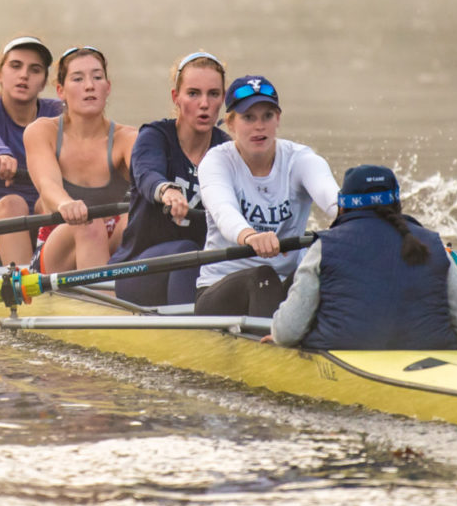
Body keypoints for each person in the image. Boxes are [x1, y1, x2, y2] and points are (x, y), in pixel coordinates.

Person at [270, 165, 457, 350]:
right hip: (430, 359)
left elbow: (286, 333)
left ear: (343, 205)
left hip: (343, 356)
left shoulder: (323, 247)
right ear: (397, 203)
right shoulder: (433, 246)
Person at [194, 75, 339, 317]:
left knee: (326, 269)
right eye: (248, 117)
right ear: (230, 123)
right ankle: (278, 349)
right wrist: (250, 236)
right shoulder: (217, 161)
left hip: (285, 290)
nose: (259, 126)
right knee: (263, 276)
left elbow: (332, 197)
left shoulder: (300, 159)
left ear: (278, 119)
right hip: (221, 290)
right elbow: (223, 211)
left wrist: (359, 218)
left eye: (267, 116)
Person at [111, 51, 231, 307]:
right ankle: (191, 336)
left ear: (223, 98)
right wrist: (168, 191)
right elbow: (146, 174)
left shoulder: (228, 151)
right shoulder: (154, 136)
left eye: (213, 94)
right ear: (176, 97)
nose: (204, 104)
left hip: (202, 273)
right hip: (137, 272)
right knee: (187, 250)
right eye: (193, 93)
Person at [24, 46, 132, 273]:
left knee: (135, 217)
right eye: (78, 79)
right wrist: (65, 204)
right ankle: (104, 304)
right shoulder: (42, 131)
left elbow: (148, 178)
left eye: (97, 77)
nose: (89, 86)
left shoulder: (128, 138)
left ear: (108, 87)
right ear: (61, 90)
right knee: (89, 225)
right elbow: (47, 184)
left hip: (111, 244)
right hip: (55, 251)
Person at [0, 37, 62, 268]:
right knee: (13, 204)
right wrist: (0, 154)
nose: (24, 75)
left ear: (44, 82)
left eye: (34, 70)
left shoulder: (59, 114)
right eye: (15, 66)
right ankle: (27, 292)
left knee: (50, 204)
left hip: (40, 221)